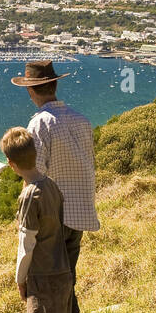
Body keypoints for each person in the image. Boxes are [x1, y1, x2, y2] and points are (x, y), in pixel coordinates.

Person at [0, 126, 74, 313]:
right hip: (63, 270)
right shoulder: (52, 185)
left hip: (42, 274)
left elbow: (26, 244)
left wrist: (20, 278)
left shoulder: (30, 195)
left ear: (12, 165)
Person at [10, 60, 98, 290]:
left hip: (52, 216)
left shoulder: (40, 124)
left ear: (30, 90)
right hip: (80, 211)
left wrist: (23, 215)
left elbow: (33, 175)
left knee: (47, 285)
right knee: (68, 281)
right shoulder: (82, 120)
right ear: (54, 86)